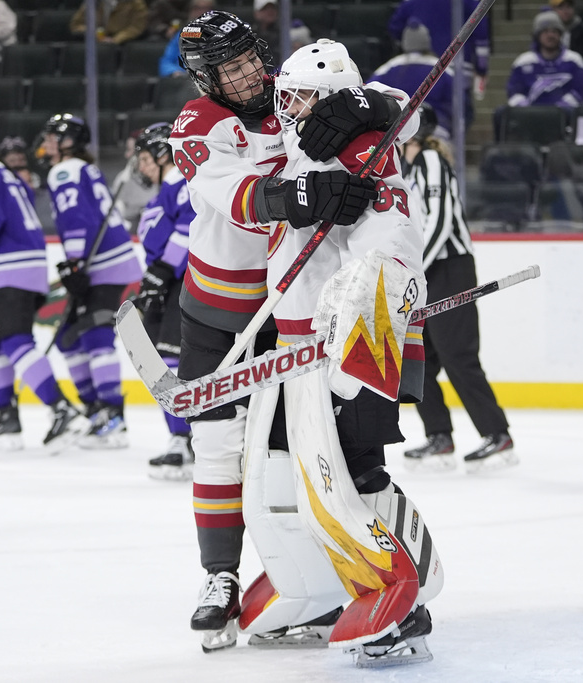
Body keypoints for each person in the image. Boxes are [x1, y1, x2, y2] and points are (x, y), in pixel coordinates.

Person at [173, 10, 417, 653]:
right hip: (223, 311)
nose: (251, 74)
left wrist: (363, 104)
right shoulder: (199, 125)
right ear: (208, 77)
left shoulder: (287, 94)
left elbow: (402, 113)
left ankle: (326, 580)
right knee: (222, 448)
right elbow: (237, 197)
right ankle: (219, 578)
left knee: (303, 457)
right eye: (233, 68)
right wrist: (301, 196)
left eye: (253, 58)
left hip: (293, 313)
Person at [269, 39, 441, 662]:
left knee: (340, 461)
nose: (288, 107)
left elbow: (400, 114)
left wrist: (363, 103)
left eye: (299, 96)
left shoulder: (354, 137)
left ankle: (397, 596)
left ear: (331, 93)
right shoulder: (340, 133)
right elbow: (399, 111)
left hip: (368, 310)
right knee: (353, 461)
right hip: (358, 311)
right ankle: (404, 585)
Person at [0, 115, 89, 451]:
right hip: (20, 266)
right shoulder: (0, 170)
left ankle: (61, 408)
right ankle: (6, 418)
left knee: (13, 339)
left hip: (10, 267)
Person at [400, 104, 517, 472]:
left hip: (448, 269)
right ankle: (439, 436)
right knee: (417, 359)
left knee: (457, 356)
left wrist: (416, 269)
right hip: (431, 272)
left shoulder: (430, 160)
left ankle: (497, 435)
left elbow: (439, 222)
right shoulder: (414, 169)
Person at [43, 112, 143, 448]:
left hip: (106, 267)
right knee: (68, 339)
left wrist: (73, 263)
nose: (47, 143)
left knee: (96, 337)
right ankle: (94, 410)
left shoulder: (64, 170)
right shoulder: (83, 168)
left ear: (68, 141)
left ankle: (112, 417)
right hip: (108, 263)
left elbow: (77, 219)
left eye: (53, 136)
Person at [131, 122, 195, 479]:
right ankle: (180, 437)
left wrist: (162, 269)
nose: (141, 167)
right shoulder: (164, 191)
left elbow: (189, 229)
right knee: (162, 359)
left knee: (170, 360)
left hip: (182, 282)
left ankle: (183, 439)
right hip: (169, 281)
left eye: (144, 158)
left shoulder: (177, 181)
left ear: (161, 154)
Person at [369, 19, 471, 141]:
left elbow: (370, 93)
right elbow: (463, 103)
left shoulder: (388, 68)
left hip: (398, 132)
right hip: (436, 130)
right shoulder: (443, 68)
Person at [389, 0, 490, 100]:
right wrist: (481, 67)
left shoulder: (410, 3)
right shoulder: (467, 2)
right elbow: (481, 34)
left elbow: (395, 28)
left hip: (416, 71)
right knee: (457, 107)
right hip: (457, 69)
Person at [505, 10, 583, 111]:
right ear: (537, 35)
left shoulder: (574, 60)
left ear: (560, 34)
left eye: (554, 31)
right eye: (545, 31)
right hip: (530, 116)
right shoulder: (523, 62)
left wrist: (562, 108)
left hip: (565, 115)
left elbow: (581, 90)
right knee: (500, 113)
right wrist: (525, 108)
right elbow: (514, 91)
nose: (550, 35)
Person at [69, 0, 147, 44]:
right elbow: (76, 25)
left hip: (122, 45)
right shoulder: (93, 2)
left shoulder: (135, 4)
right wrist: (97, 36)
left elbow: (136, 27)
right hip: (95, 44)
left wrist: (116, 40)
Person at [548, 0, 583, 65]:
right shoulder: (546, 32)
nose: (565, 11)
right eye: (561, 7)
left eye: (569, 7)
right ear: (553, 9)